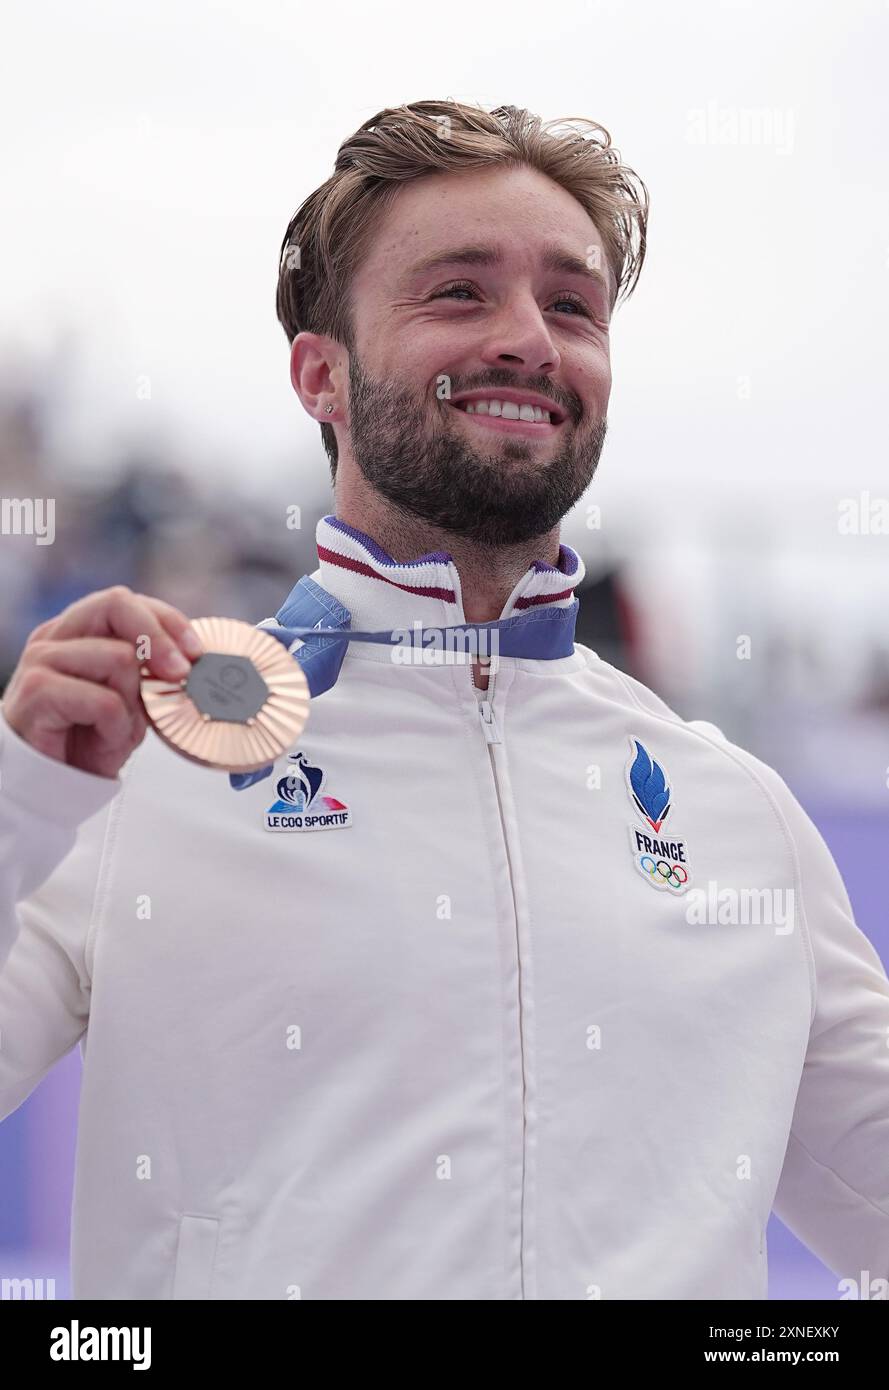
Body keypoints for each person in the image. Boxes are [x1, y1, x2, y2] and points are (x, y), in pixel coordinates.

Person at [1, 100, 887, 1301]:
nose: (528, 336)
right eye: (459, 292)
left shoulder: (735, 813)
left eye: (571, 303)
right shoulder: (131, 764)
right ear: (322, 373)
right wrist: (21, 800)